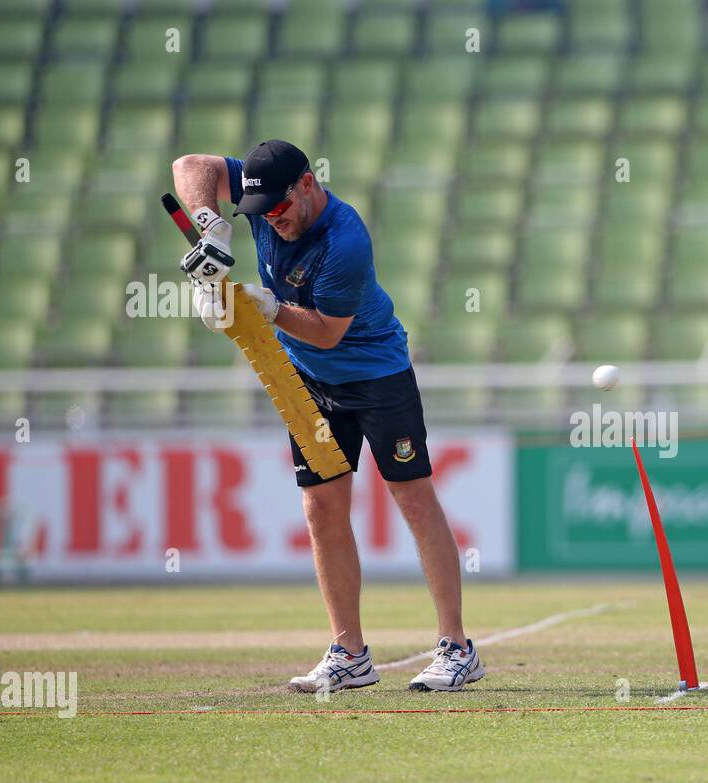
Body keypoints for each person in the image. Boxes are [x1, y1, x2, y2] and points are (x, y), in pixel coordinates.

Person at [172, 139, 484, 692]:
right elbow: (191, 167)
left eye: (280, 209)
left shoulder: (345, 240)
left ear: (308, 185)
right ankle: (349, 653)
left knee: (411, 495)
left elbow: (327, 332)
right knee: (320, 506)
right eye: (259, 213)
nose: (273, 221)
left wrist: (260, 307)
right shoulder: (262, 195)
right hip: (309, 382)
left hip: (376, 373)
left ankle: (457, 648)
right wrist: (210, 228)